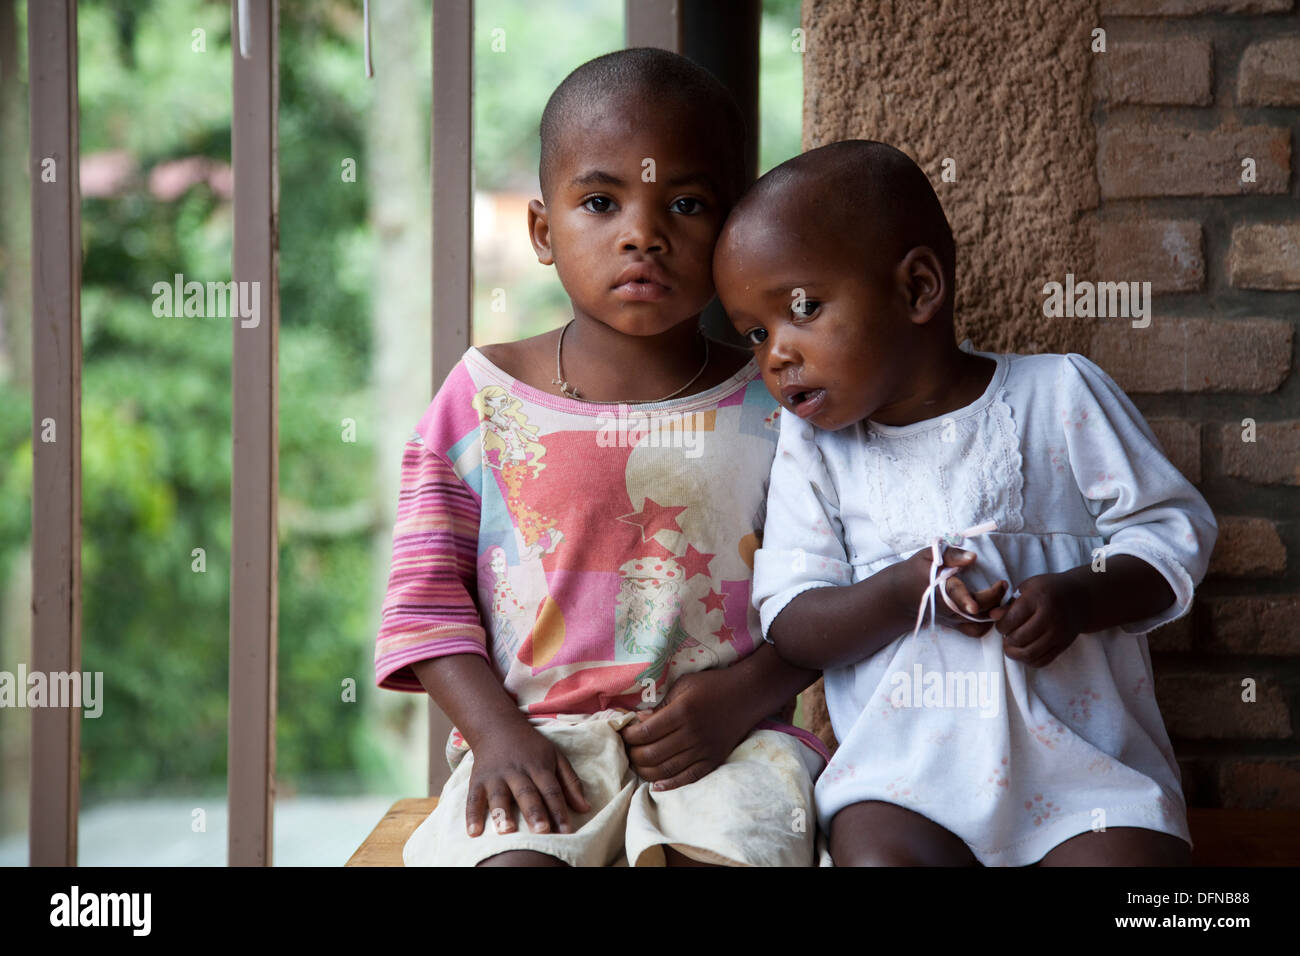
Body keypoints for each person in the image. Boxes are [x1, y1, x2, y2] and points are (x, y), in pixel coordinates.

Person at [374, 48, 825, 868]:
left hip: (728, 746)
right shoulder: (483, 399)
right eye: (599, 201)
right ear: (544, 232)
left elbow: (831, 591)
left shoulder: (777, 405)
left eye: (685, 203)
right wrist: (498, 735)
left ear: (733, 228)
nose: (643, 235)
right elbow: (424, 606)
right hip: (537, 747)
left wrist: (747, 695)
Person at [712, 139, 1218, 867]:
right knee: (876, 854)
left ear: (919, 289)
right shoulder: (815, 449)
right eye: (756, 334)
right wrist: (901, 590)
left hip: (1083, 774)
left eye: (804, 310)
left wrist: (1078, 597)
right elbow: (793, 621)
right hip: (904, 783)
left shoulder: (1058, 394)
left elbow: (1171, 532)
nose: (776, 355)